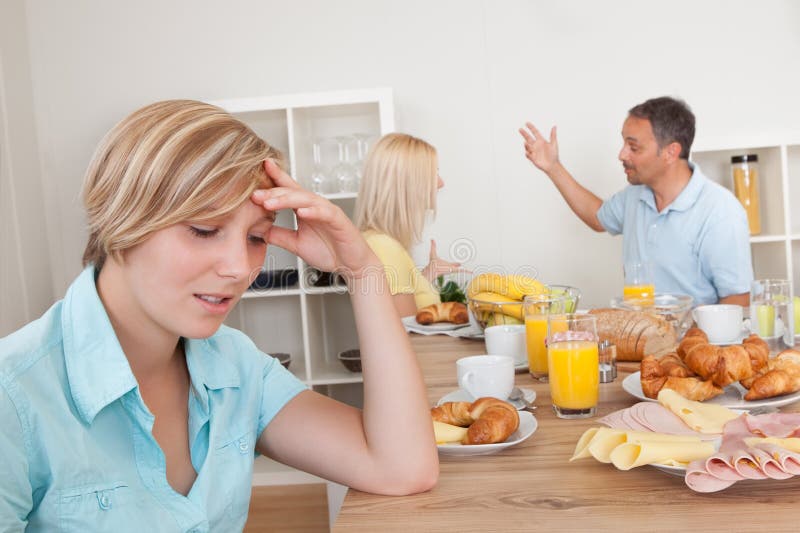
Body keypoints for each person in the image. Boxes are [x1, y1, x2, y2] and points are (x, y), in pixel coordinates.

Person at [0, 100, 438, 532]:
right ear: (122, 221)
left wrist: (362, 271)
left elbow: (401, 468)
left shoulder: (234, 364)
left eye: (256, 237)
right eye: (204, 230)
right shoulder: (14, 397)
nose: (239, 267)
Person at [519, 96, 752, 306]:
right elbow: (598, 217)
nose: (622, 154)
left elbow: (737, 300)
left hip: (692, 348)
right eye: (623, 144)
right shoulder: (635, 196)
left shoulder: (720, 212)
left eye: (633, 147)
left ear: (671, 152)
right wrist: (553, 167)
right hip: (641, 345)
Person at [355, 133, 464, 318]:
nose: (440, 183)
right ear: (407, 182)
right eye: (433, 173)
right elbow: (409, 334)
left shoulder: (380, 241)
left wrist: (427, 275)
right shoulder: (385, 247)